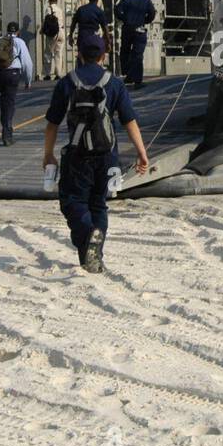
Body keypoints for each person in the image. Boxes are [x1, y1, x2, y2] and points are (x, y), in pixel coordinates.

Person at [42, 32, 149, 273]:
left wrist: (48, 155)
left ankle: (89, 235)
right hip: (108, 154)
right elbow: (129, 121)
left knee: (72, 202)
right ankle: (93, 257)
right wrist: (141, 153)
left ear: (78, 53)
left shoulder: (67, 82)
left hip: (77, 155)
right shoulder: (115, 83)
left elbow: (52, 124)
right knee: (99, 204)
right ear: (104, 55)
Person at [0, 22, 32, 145]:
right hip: (13, 74)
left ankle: (6, 129)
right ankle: (7, 133)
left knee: (5, 100)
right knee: (9, 102)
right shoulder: (20, 42)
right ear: (18, 32)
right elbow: (27, 63)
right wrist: (28, 80)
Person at [115, 0, 156, 88]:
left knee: (125, 51)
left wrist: (125, 19)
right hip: (139, 30)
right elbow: (152, 14)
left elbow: (117, 11)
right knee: (137, 55)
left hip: (127, 29)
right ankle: (137, 81)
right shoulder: (146, 0)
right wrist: (145, 20)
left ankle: (128, 75)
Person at [69, 0, 110, 64]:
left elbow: (73, 23)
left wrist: (70, 36)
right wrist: (108, 42)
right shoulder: (99, 11)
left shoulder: (81, 9)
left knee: (81, 56)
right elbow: (105, 28)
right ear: (97, 0)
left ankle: (81, 73)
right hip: (94, 36)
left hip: (82, 35)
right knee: (94, 57)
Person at [40, 0, 62, 81]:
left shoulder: (48, 9)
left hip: (52, 34)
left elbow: (46, 21)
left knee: (48, 53)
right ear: (56, 1)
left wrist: (42, 30)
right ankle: (58, 74)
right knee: (58, 54)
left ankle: (48, 74)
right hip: (61, 32)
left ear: (49, 1)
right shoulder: (60, 10)